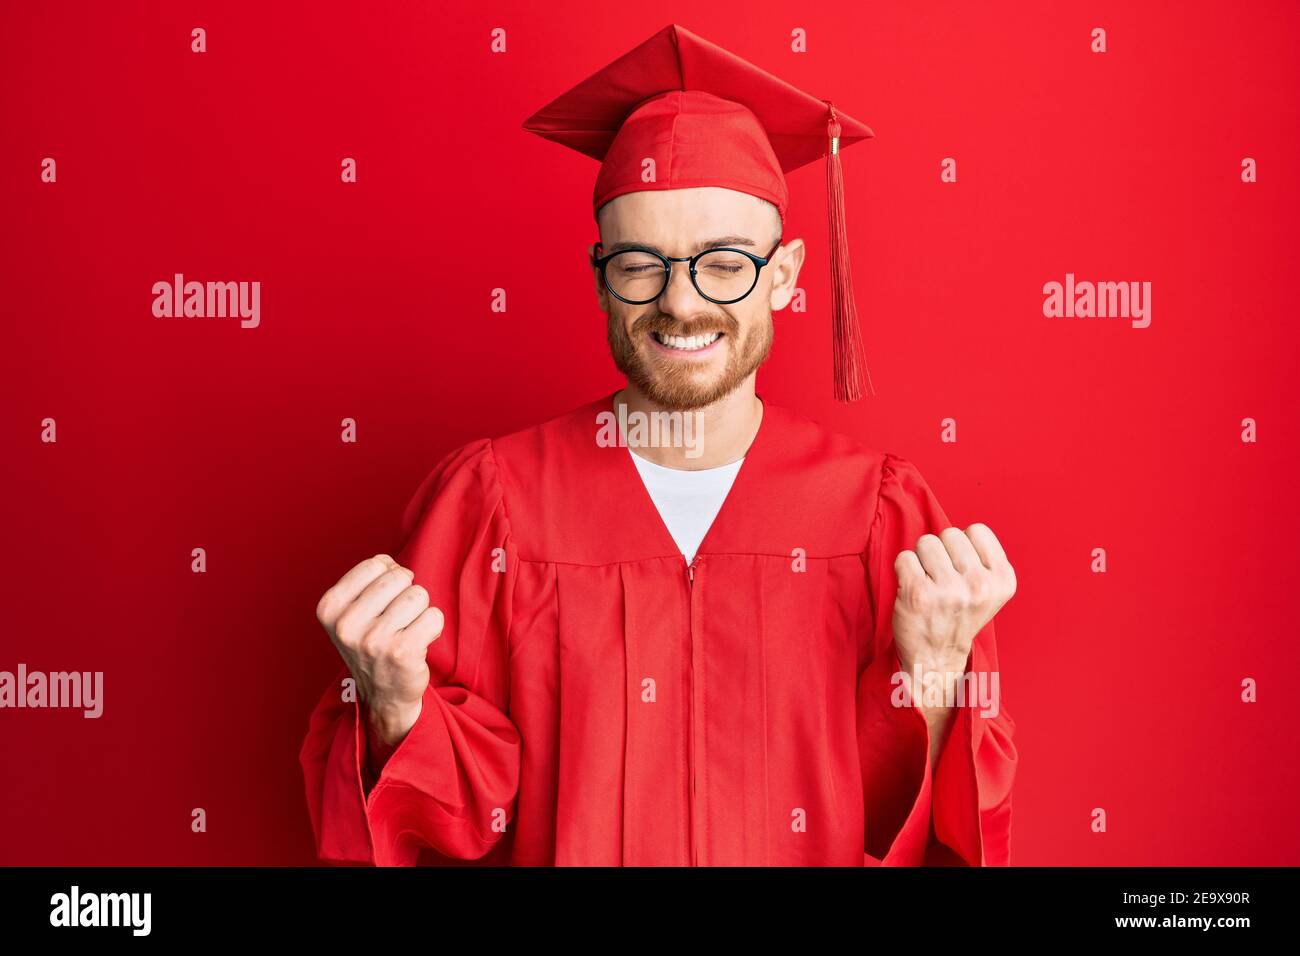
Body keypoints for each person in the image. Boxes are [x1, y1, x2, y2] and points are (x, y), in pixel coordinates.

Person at [300, 23, 1018, 867]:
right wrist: (390, 705)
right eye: (643, 264)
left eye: (723, 263)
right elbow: (458, 823)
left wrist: (933, 676)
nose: (682, 303)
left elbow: (896, 823)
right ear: (600, 274)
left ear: (783, 276)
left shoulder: (878, 513)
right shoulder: (492, 501)